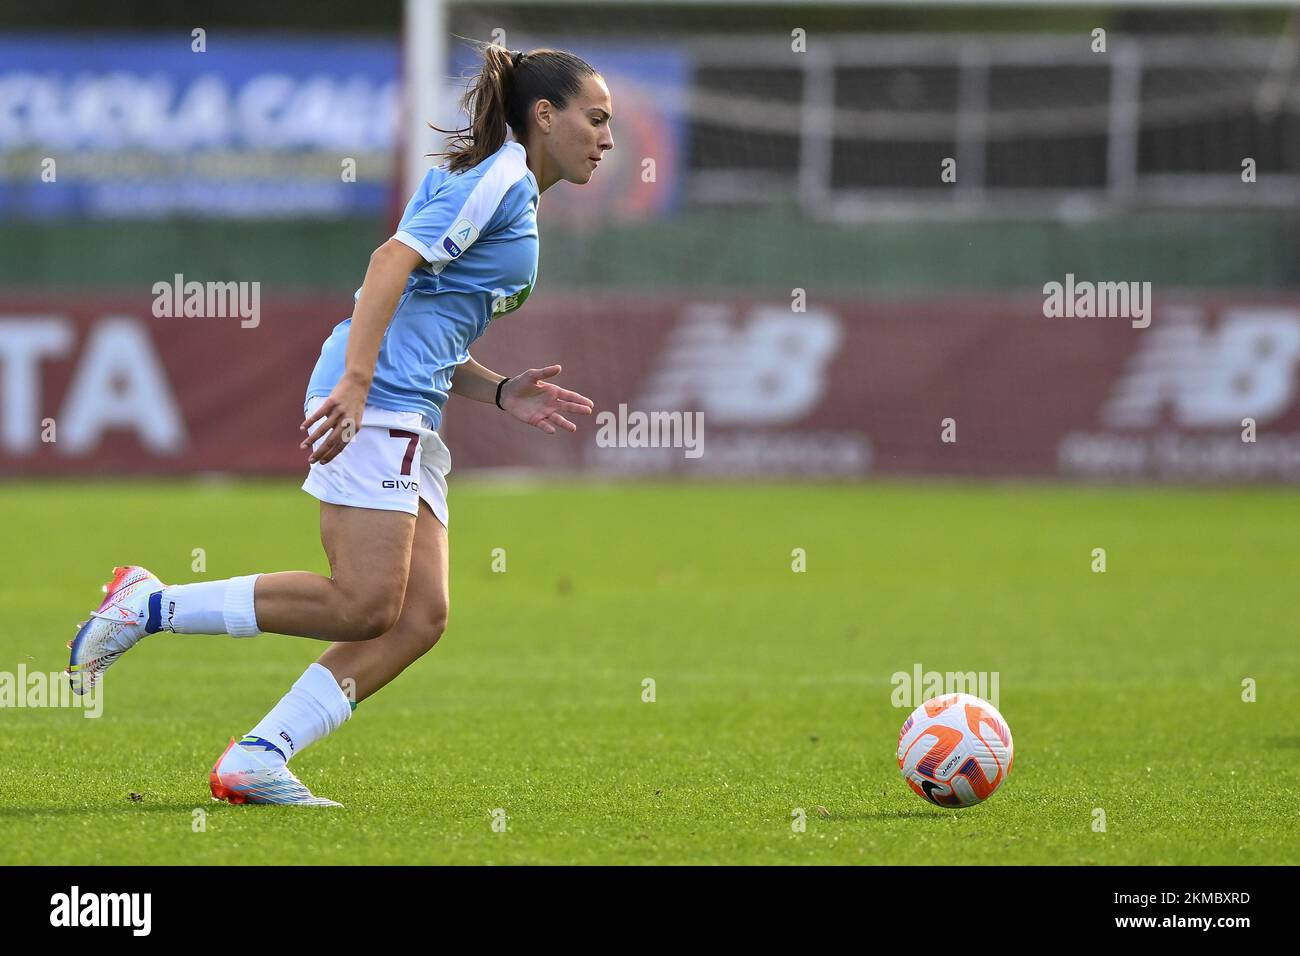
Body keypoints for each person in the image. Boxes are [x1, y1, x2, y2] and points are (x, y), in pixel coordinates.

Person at [66, 43, 613, 806]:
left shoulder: (517, 194)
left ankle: (260, 755)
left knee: (420, 616)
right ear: (544, 115)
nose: (608, 137)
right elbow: (390, 262)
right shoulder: (500, 176)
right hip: (378, 395)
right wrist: (357, 383)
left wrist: (496, 392)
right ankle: (147, 606)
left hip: (405, 400)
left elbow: (428, 322)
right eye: (597, 117)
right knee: (363, 603)